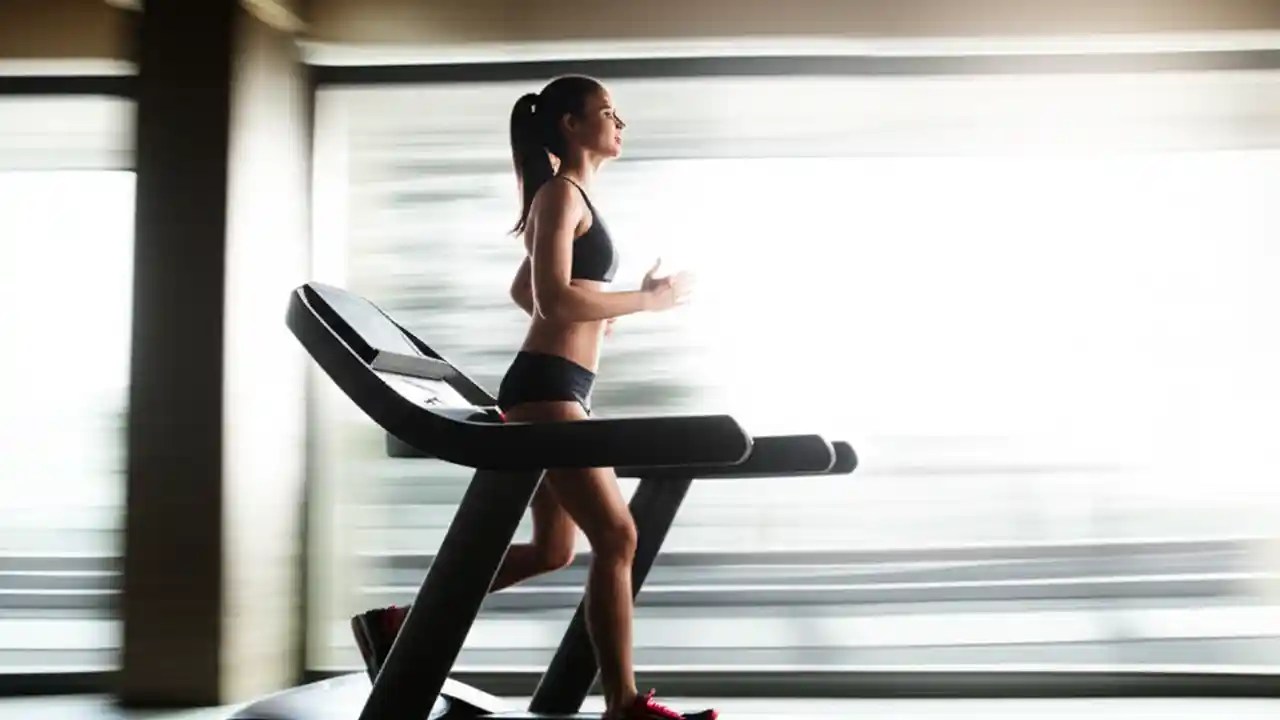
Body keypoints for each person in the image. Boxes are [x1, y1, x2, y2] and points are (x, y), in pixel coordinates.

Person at [351, 75, 706, 720]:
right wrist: (647, 302)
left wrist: (617, 310)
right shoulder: (559, 194)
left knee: (554, 551)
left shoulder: (572, 200)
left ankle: (400, 623)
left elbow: (529, 293)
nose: (620, 123)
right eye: (607, 112)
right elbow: (552, 299)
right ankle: (623, 704)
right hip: (546, 390)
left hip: (563, 387)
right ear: (571, 125)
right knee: (618, 536)